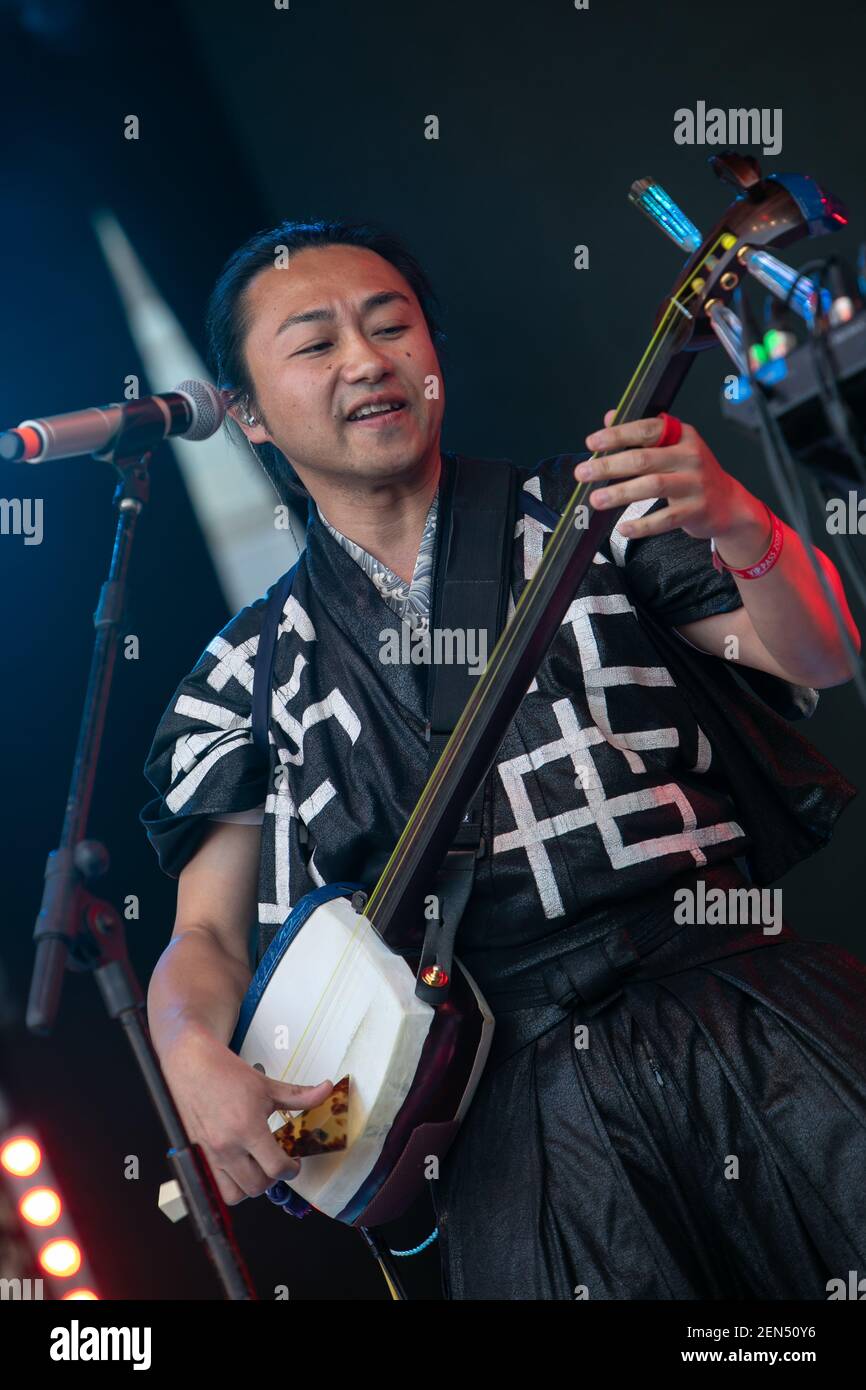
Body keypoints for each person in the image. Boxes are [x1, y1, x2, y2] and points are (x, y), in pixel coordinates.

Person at [142, 218, 866, 1300]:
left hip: (739, 1006)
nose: (366, 358)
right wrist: (190, 1052)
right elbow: (202, 933)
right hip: (507, 1116)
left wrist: (736, 518)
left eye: (391, 326)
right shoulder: (238, 677)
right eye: (314, 341)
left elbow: (819, 647)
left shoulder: (596, 516)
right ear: (244, 413)